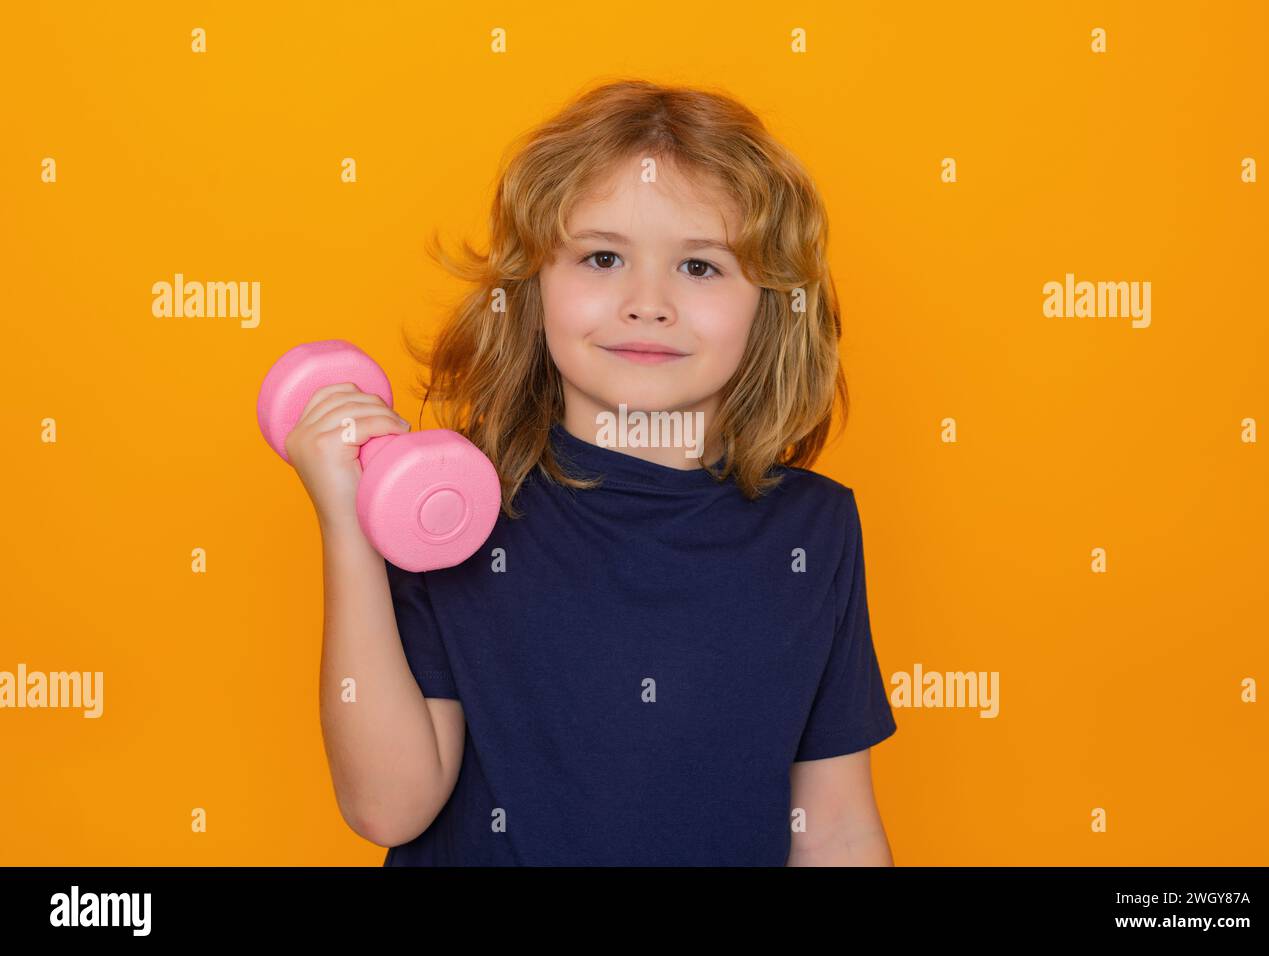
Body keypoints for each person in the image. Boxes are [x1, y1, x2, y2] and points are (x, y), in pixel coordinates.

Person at [288, 79, 898, 866]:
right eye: (603, 257)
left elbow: (838, 826)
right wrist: (348, 524)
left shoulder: (813, 529)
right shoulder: (454, 507)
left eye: (702, 268)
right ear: (533, 288)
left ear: (771, 304)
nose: (647, 303)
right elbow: (388, 809)